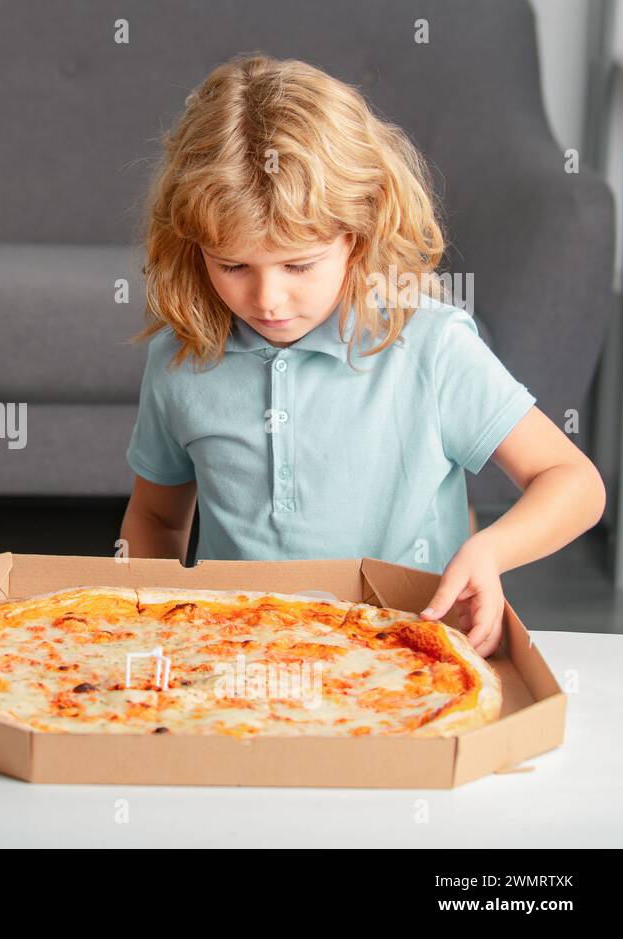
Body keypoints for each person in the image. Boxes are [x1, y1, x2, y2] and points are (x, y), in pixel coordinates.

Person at [119, 54, 606, 659]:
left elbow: (574, 483)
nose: (267, 299)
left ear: (359, 233)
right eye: (233, 265)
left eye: (299, 265)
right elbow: (157, 519)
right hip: (237, 659)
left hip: (404, 657)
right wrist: (152, 628)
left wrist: (489, 551)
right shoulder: (181, 355)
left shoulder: (431, 345)